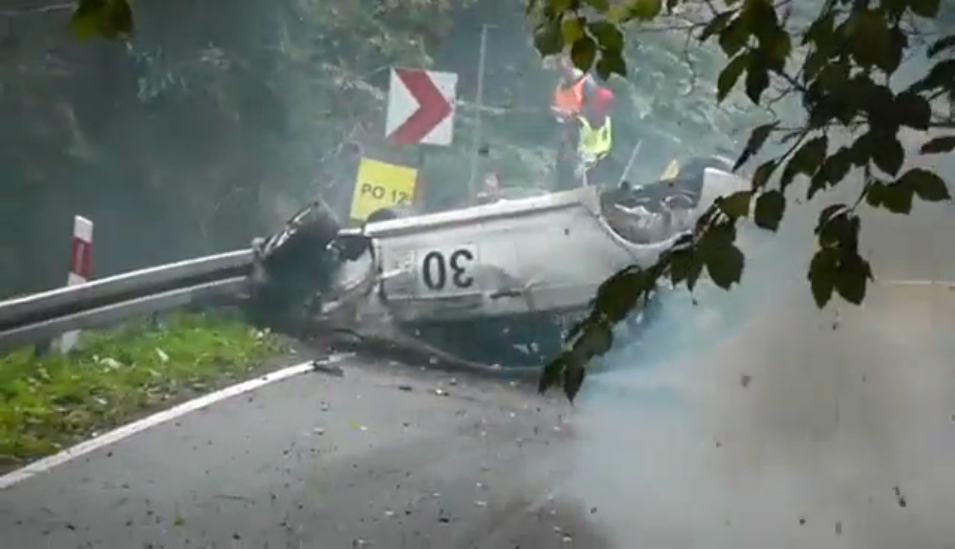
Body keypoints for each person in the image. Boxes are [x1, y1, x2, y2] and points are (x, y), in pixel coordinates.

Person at [548, 55, 615, 190]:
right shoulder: (560, 87)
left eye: (564, 68)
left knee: (580, 172)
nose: (562, 72)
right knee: (564, 170)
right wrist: (557, 112)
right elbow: (556, 107)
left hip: (583, 135)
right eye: (559, 69)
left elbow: (594, 110)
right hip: (567, 134)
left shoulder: (586, 85)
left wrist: (573, 114)